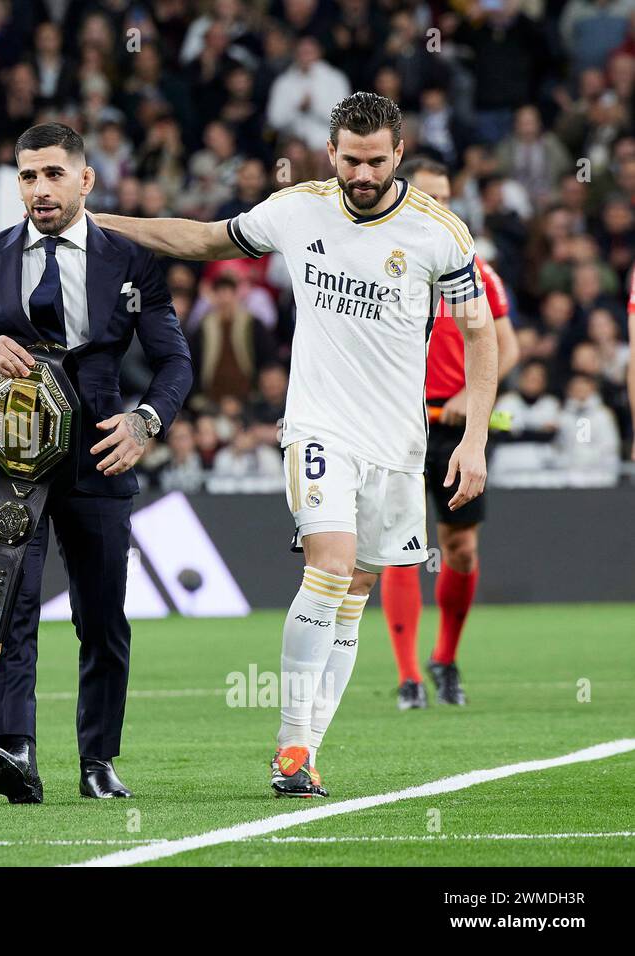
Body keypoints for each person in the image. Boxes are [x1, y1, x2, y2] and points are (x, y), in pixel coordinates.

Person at [94, 92, 497, 798]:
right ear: (331, 153)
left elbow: (481, 334)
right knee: (330, 564)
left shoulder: (441, 234)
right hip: (319, 427)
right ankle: (289, 744)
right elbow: (203, 238)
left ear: (399, 154)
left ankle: (308, 749)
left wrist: (477, 438)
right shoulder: (297, 209)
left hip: (399, 444)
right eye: (350, 159)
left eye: (376, 161)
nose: (362, 173)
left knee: (357, 589)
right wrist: (99, 221)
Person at [0, 122, 192, 803]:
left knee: (102, 618)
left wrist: (146, 419)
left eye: (53, 175)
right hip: (8, 462)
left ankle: (98, 760)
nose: (40, 189)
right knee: (7, 606)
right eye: (28, 176)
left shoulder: (129, 260)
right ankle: (13, 748)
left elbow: (175, 362)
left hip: (98, 456)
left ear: (85, 179)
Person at [379, 158, 520, 710]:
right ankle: (409, 675)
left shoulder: (475, 270)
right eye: (426, 196)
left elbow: (506, 347)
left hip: (457, 429)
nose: (436, 207)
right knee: (402, 549)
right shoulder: (381, 264)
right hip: (396, 424)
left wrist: (470, 397)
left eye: (444, 197)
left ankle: (445, 657)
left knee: (458, 548)